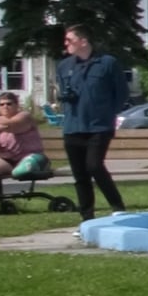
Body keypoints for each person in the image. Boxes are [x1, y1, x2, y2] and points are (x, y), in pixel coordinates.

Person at [55, 25, 134, 217]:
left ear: (83, 41)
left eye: (70, 40)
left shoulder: (107, 63)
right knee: (80, 175)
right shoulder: (64, 66)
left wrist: (108, 114)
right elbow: (63, 93)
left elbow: (121, 93)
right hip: (73, 127)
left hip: (99, 127)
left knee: (94, 166)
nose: (66, 44)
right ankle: (87, 217)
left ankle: (117, 207)